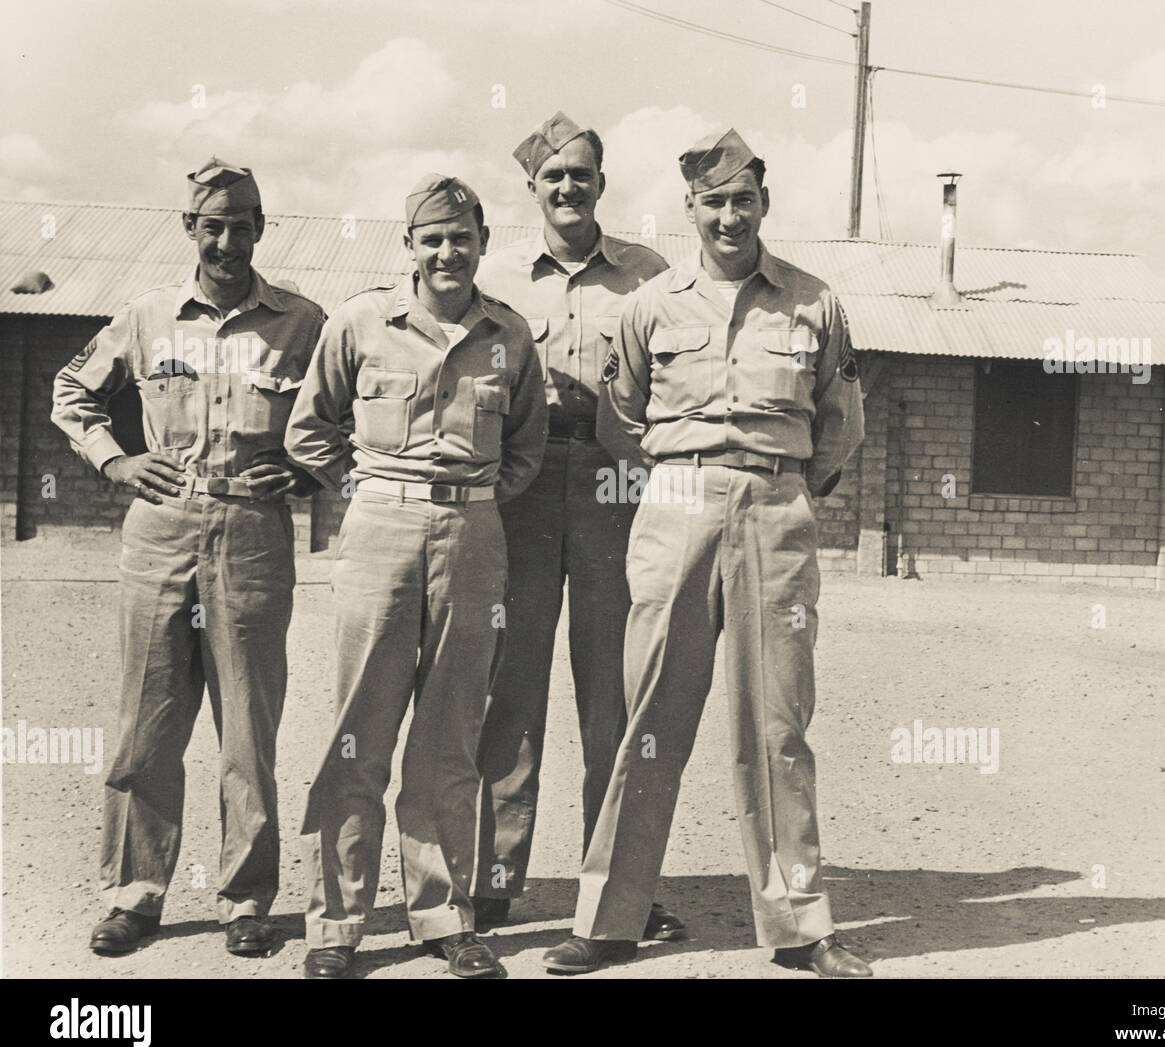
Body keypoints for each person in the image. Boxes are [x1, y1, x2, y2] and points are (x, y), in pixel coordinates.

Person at [543, 130, 873, 977]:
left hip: (775, 506)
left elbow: (841, 421)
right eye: (713, 202)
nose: (730, 216)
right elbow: (621, 419)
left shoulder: (814, 303)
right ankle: (609, 919)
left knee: (778, 724)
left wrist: (788, 488)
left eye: (744, 200)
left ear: (764, 204)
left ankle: (800, 928)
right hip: (678, 500)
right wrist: (670, 484)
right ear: (689, 209)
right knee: (648, 716)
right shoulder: (650, 305)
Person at [51, 157, 325, 958]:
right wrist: (116, 461)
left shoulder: (304, 322)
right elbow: (73, 392)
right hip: (162, 527)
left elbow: (346, 410)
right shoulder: (144, 317)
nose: (228, 240)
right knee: (148, 724)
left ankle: (245, 901)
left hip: (253, 531)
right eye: (214, 225)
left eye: (243, 225)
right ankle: (134, 895)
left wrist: (307, 467)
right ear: (190, 230)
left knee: (248, 731)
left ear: (260, 230)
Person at [286, 173, 548, 980]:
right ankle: (337, 921)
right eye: (430, 239)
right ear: (408, 247)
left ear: (480, 247)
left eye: (460, 239)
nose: (446, 252)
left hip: (473, 535)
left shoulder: (509, 336)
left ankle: (442, 914)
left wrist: (464, 502)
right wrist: (372, 490)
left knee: (449, 736)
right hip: (379, 533)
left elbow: (527, 450)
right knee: (360, 730)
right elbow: (309, 431)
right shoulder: (360, 322)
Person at [471, 111, 682, 941]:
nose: (568, 187)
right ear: (532, 189)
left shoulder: (648, 275)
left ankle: (619, 885)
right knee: (509, 688)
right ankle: (492, 879)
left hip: (614, 485)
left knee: (615, 694)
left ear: (602, 182)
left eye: (582, 175)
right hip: (519, 487)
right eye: (553, 177)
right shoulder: (499, 283)